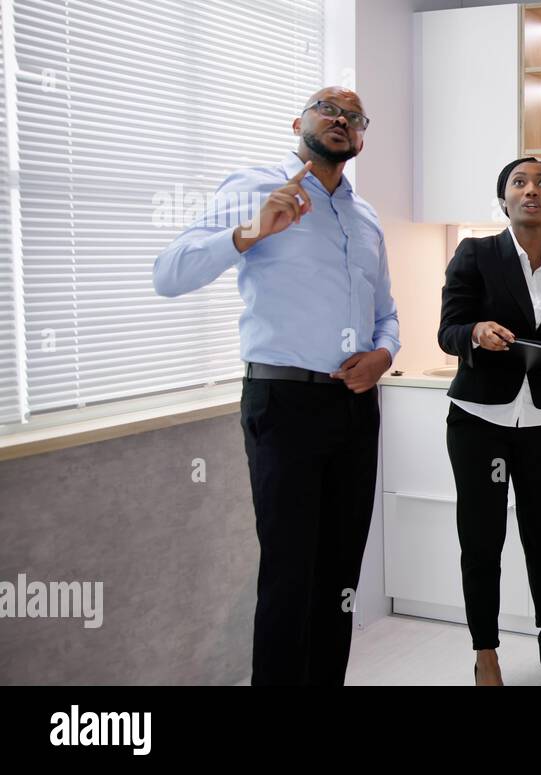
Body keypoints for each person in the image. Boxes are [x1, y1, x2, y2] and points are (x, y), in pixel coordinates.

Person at [153, 87, 398, 685]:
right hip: (283, 403)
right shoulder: (255, 187)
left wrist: (385, 355)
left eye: (354, 117)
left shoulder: (365, 218)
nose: (340, 120)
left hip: (355, 406)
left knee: (341, 572)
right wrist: (250, 231)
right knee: (290, 572)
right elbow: (169, 273)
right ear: (299, 123)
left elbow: (387, 313)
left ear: (361, 138)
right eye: (327, 109)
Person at [438, 157, 541, 686]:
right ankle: (486, 650)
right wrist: (476, 330)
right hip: (480, 418)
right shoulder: (476, 253)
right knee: (482, 539)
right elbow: (448, 330)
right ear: (504, 199)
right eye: (519, 183)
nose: (532, 190)